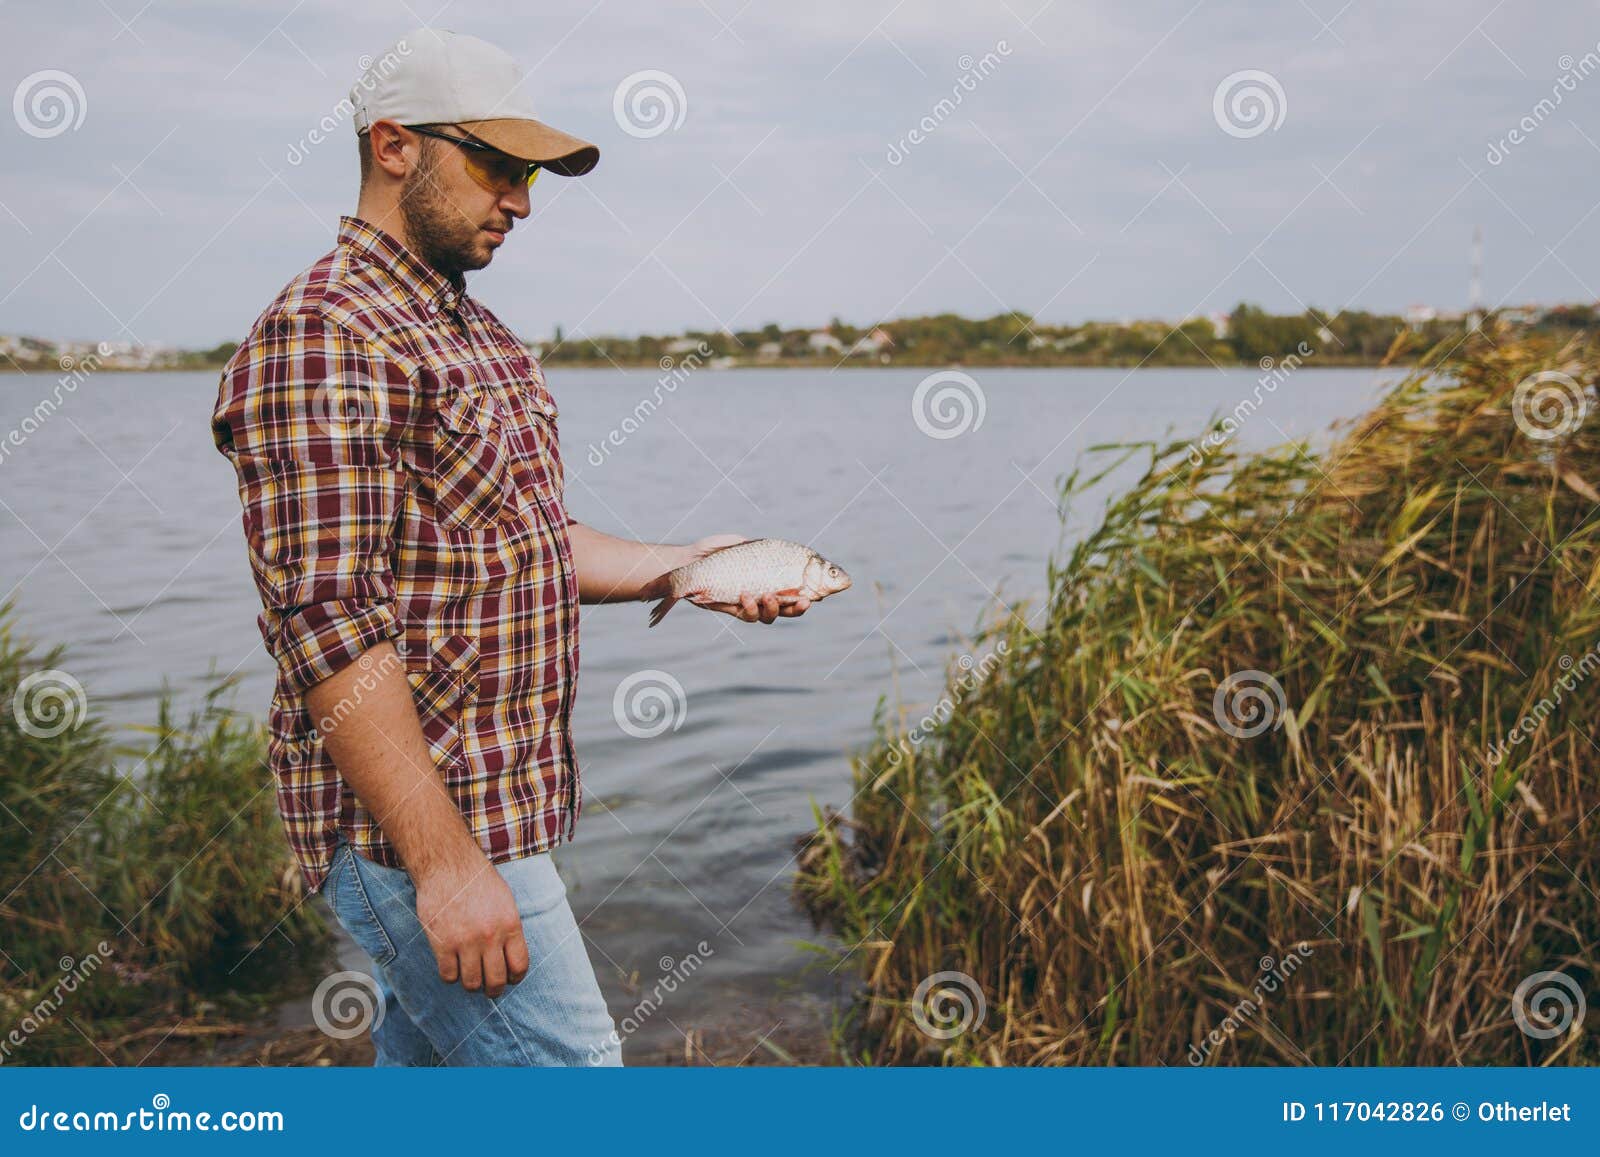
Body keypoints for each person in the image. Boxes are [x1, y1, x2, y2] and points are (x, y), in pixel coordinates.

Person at [210, 27, 809, 1067]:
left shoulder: (473, 334)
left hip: (495, 810)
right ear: (394, 145)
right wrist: (443, 864)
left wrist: (687, 565)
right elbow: (328, 624)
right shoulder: (326, 334)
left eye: (527, 171)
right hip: (416, 832)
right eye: (496, 164)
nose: (522, 199)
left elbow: (525, 541)